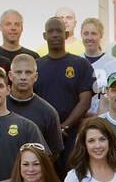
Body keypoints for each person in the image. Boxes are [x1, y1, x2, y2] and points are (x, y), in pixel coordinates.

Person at [37, 16, 95, 156]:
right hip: (43, 136)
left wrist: (64, 127)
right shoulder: (36, 66)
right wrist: (50, 130)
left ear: (66, 34)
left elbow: (85, 101)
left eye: (59, 30)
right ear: (45, 36)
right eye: (51, 31)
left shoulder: (81, 64)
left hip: (73, 136)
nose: (55, 34)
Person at [6, 55, 65, 162]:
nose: (23, 77)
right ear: (10, 75)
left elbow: (54, 152)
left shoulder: (48, 112)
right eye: (18, 72)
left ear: (36, 76)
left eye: (28, 72)